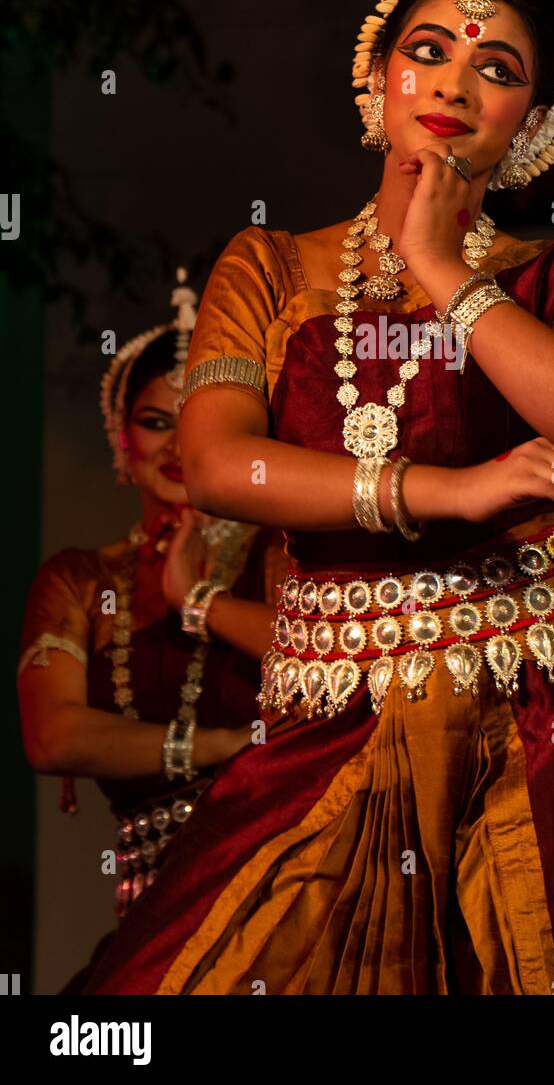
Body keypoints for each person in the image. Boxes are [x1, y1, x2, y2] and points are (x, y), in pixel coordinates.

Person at [81, 0, 554, 996]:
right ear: (376, 78)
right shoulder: (268, 267)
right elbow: (221, 462)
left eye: (498, 70)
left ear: (536, 123)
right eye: (429, 50)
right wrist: (447, 492)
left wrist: (445, 269)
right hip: (334, 701)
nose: (456, 82)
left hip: (548, 695)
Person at [18, 271, 288, 986]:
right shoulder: (81, 579)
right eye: (156, 421)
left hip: (287, 882)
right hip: (152, 908)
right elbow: (53, 737)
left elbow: (324, 659)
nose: (176, 448)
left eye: (200, 422)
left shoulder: (287, 549)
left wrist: (199, 598)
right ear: (121, 438)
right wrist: (224, 746)